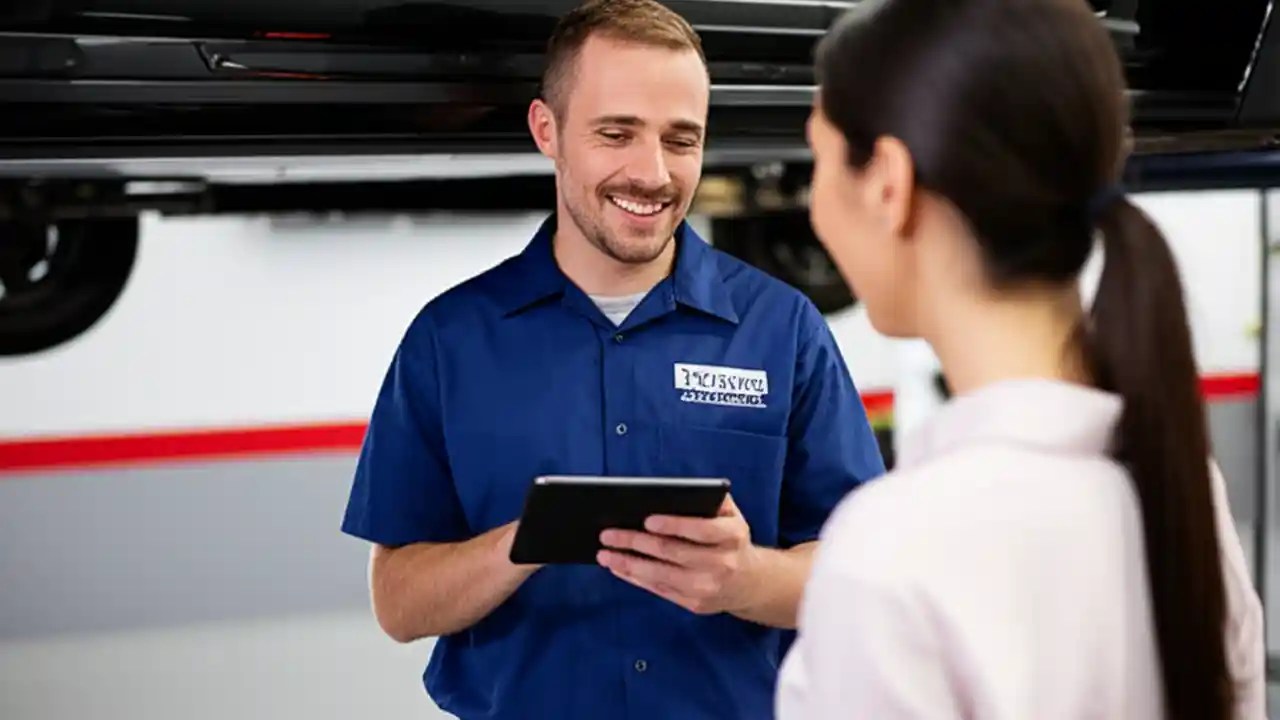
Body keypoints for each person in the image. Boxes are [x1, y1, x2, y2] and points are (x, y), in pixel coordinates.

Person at [339, 1, 886, 718]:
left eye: (680, 139)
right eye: (616, 134)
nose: (652, 173)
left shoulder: (783, 331)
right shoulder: (450, 341)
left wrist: (745, 578)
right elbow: (398, 603)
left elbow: (861, 577)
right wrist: (525, 541)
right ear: (548, 130)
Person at [775, 0, 1267, 719]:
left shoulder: (889, 551)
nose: (814, 208)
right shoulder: (1187, 494)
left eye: (816, 163)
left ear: (888, 185)